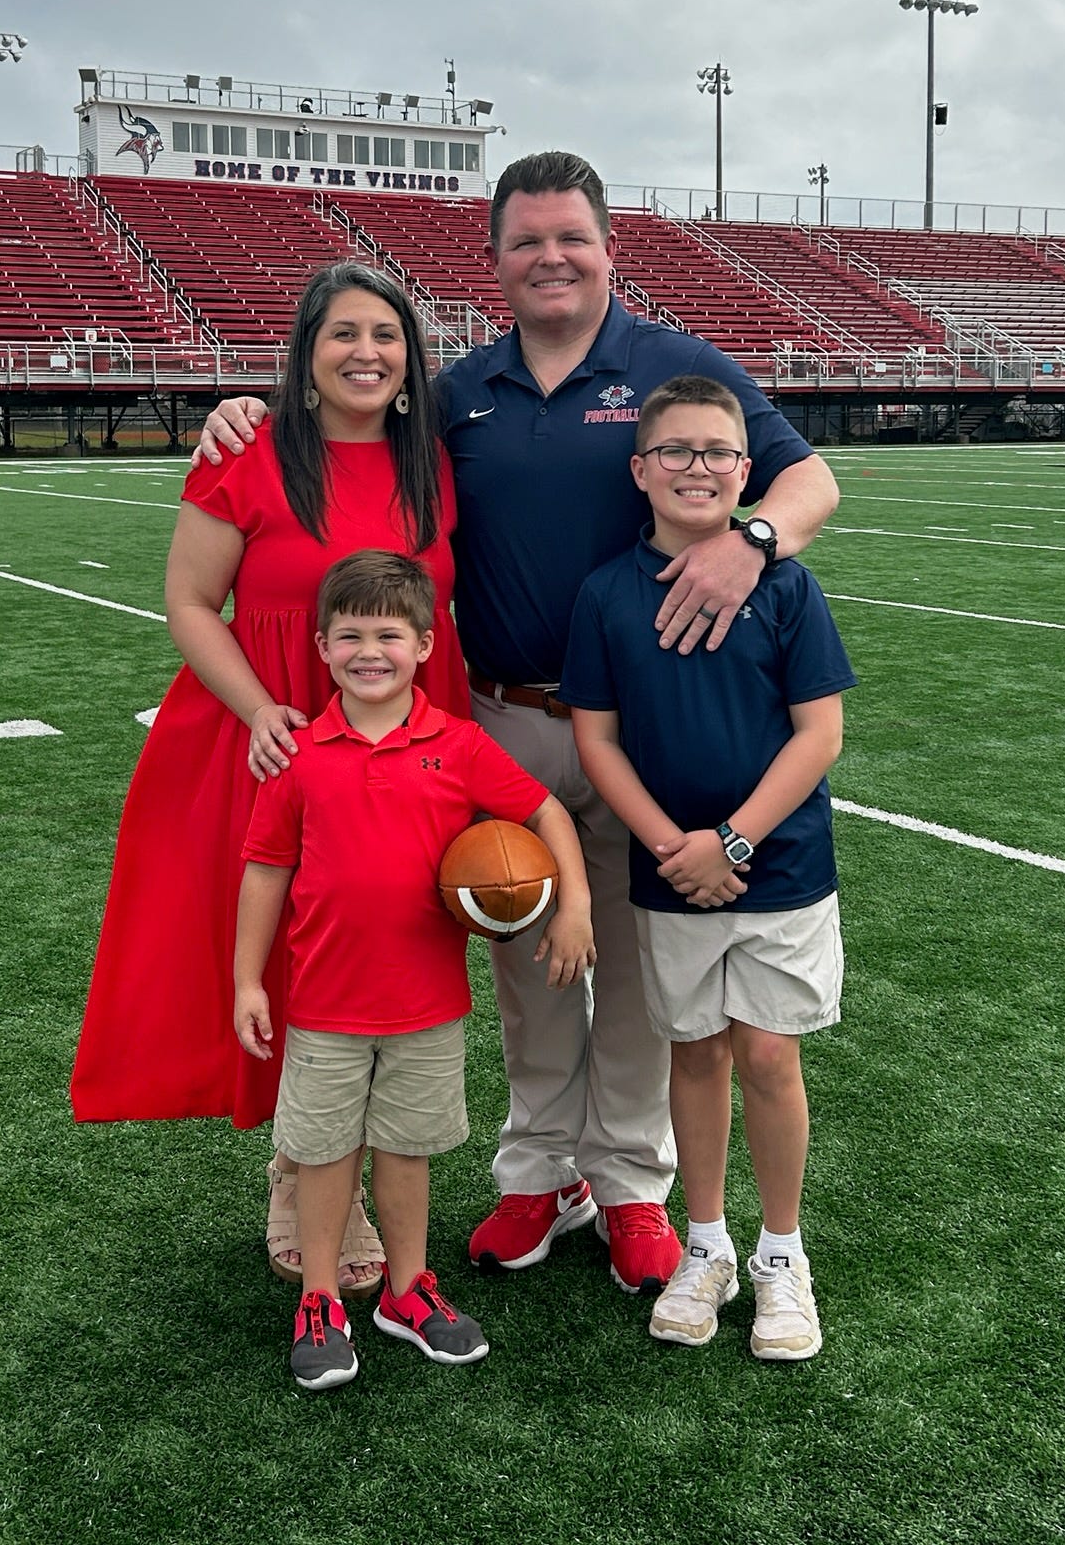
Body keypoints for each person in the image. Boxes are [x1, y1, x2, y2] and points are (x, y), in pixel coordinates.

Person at [199, 150, 840, 1298]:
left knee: (645, 969)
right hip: (504, 716)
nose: (552, 257)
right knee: (530, 957)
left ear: (609, 247)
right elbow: (345, 421)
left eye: (572, 237)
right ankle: (540, 1167)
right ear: (494, 262)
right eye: (527, 240)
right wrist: (247, 403)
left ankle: (633, 1180)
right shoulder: (460, 388)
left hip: (650, 730)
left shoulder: (676, 363)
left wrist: (750, 545)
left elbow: (809, 481)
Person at [72, 259, 470, 1301]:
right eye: (342, 333)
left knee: (391, 943)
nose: (366, 353)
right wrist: (260, 710)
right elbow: (191, 600)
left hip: (407, 736)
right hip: (278, 731)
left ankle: (379, 1173)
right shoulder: (247, 453)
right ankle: (297, 1168)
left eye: (386, 334)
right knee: (295, 946)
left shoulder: (432, 456)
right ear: (304, 351)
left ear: (410, 357)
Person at [235, 550, 593, 1391]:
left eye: (389, 634)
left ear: (427, 645)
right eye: (350, 635)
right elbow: (264, 871)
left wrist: (572, 902)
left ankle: (405, 1288)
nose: (370, 651)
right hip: (323, 1004)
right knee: (325, 1155)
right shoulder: (299, 756)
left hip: (427, 1006)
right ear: (322, 647)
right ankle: (320, 1296)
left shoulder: (458, 744)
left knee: (406, 1151)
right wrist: (249, 980)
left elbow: (542, 809)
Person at [560, 375, 855, 1359]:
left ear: (746, 470)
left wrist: (729, 841)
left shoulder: (786, 585)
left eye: (719, 452)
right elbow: (596, 740)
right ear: (640, 470)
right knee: (694, 1051)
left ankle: (780, 1250)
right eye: (676, 450)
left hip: (780, 867)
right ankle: (706, 1241)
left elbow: (820, 733)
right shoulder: (605, 593)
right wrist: (669, 847)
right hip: (670, 872)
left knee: (768, 1053)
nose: (698, 467)